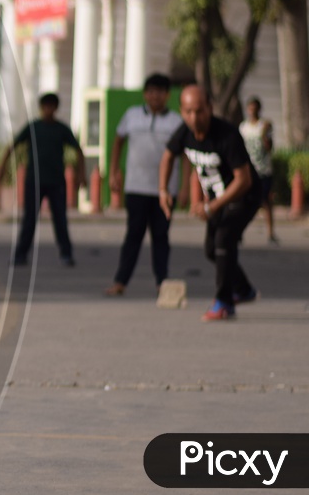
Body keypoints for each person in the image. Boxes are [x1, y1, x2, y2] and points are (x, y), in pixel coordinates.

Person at [160, 86, 262, 321]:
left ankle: (224, 303)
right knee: (210, 250)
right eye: (188, 112)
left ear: (210, 109)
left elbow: (244, 180)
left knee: (224, 239)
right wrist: (163, 190)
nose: (194, 118)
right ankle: (244, 290)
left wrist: (211, 207)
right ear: (182, 112)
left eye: (200, 111)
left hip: (244, 195)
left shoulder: (227, 135)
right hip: (218, 198)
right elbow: (167, 156)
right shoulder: (184, 132)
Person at [105, 73, 183, 296]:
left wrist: (187, 186)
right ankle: (120, 281)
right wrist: (114, 172)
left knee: (161, 236)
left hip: (165, 190)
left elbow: (185, 156)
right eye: (150, 91)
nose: (155, 96)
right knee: (133, 236)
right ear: (145, 93)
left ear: (167, 95)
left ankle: (162, 283)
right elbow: (118, 142)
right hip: (136, 186)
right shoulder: (132, 116)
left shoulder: (175, 121)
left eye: (160, 91)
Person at [0, 92, 84, 267]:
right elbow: (12, 146)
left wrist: (81, 174)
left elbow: (78, 150)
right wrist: (2, 167)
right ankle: (20, 254)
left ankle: (66, 253)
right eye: (45, 106)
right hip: (34, 181)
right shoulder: (33, 127)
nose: (48, 110)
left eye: (51, 106)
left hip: (56, 181)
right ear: (41, 108)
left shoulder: (61, 129)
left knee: (60, 219)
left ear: (56, 108)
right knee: (29, 219)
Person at [238, 96, 279, 245]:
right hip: (249, 170)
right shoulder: (243, 127)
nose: (252, 111)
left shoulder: (265, 126)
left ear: (259, 109)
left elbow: (270, 148)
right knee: (244, 202)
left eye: (255, 108)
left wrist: (263, 136)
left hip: (263, 170)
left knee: (265, 201)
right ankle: (239, 232)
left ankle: (270, 232)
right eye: (250, 108)